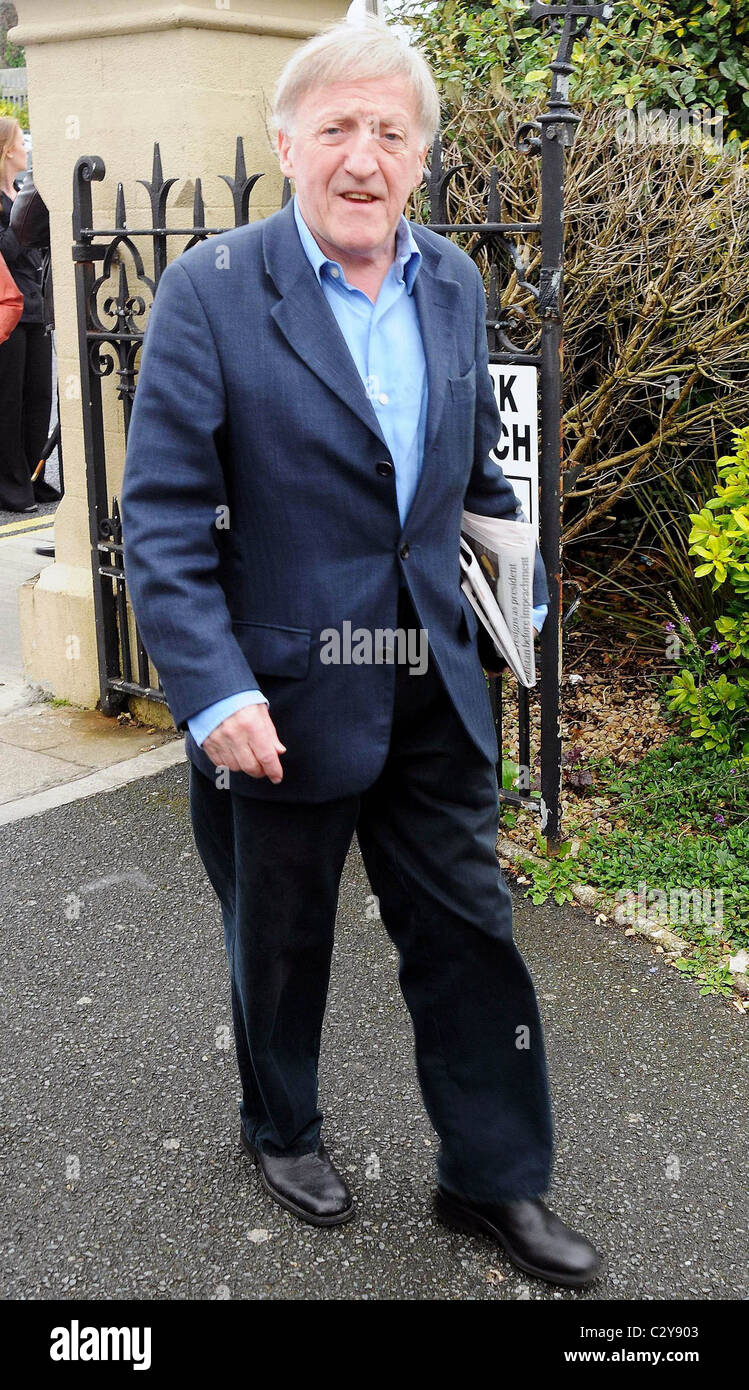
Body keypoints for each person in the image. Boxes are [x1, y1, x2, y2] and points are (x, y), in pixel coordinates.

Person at [121, 17, 602, 1288]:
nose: (361, 155)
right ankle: (279, 1124)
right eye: (335, 128)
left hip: (434, 684)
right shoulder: (212, 291)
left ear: (421, 159)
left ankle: (492, 1178)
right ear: (286, 144)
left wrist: (520, 583)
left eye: (389, 132)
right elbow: (161, 514)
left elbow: (473, 473)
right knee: (278, 942)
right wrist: (210, 688)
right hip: (275, 700)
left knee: (470, 935)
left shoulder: (449, 280)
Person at [0, 116, 58, 512]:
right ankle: (9, 484)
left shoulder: (20, 190)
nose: (26, 148)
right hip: (8, 311)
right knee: (8, 402)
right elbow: (7, 250)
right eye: (22, 141)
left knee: (37, 400)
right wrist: (23, 218)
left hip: (35, 307)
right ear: (6, 149)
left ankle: (28, 475)